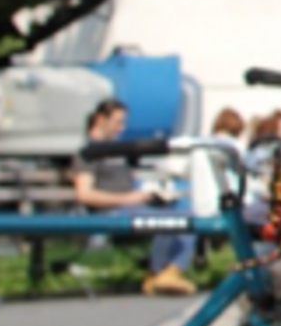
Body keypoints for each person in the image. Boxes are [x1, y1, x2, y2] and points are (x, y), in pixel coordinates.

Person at [70, 98, 196, 296]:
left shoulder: (117, 151)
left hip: (134, 206)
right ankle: (158, 273)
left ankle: (169, 271)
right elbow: (84, 194)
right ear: (100, 120)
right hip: (111, 212)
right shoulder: (90, 153)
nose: (122, 128)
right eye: (118, 122)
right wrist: (130, 199)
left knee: (188, 215)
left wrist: (153, 193)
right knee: (170, 221)